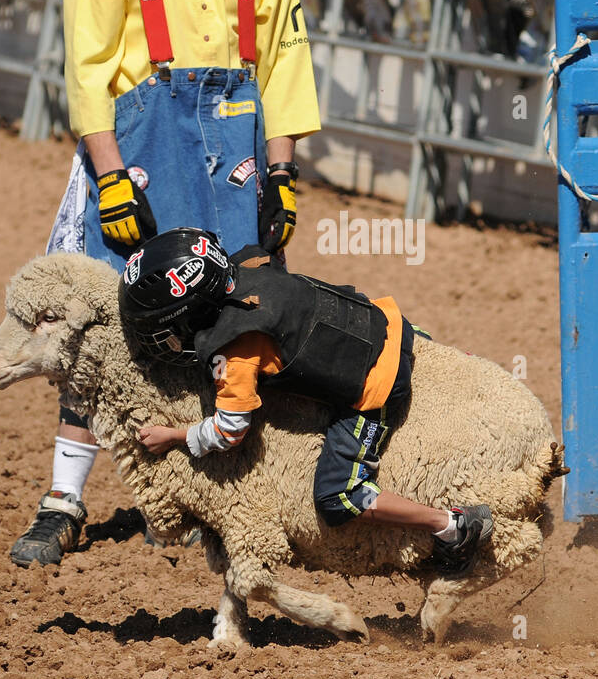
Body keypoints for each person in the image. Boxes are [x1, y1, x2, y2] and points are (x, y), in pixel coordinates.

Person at [13, 0, 321, 566]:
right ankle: (63, 498)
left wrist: (282, 174)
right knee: (102, 318)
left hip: (236, 152)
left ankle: (206, 491)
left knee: (243, 311)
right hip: (140, 152)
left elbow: (284, 58)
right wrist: (111, 178)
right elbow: (88, 73)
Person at [120, 228, 496, 575]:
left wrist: (173, 436)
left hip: (376, 381)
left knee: (338, 498)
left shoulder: (235, 350)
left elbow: (231, 429)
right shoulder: (250, 262)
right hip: (387, 322)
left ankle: (452, 526)